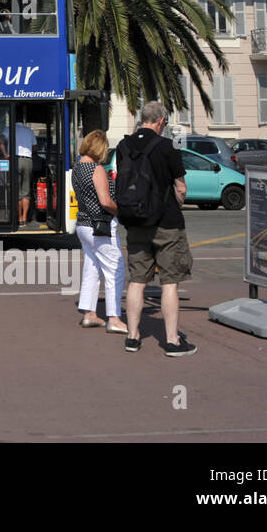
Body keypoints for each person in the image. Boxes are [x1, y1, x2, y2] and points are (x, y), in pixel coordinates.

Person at [116, 101, 194, 356]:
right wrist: (177, 203)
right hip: (166, 224)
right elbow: (180, 187)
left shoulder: (123, 146)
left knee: (137, 281)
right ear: (161, 121)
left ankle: (132, 336)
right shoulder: (167, 147)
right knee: (169, 282)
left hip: (135, 222)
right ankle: (171, 341)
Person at [72, 130, 127, 334]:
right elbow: (105, 201)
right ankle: (114, 317)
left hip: (83, 224)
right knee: (115, 269)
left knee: (92, 269)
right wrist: (121, 212)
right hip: (100, 226)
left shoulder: (78, 167)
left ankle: (89, 314)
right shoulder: (96, 169)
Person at [15, 121, 36, 225]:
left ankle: (19, 218)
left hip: (15, 160)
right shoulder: (29, 131)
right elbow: (35, 147)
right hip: (27, 160)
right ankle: (24, 218)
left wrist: (5, 153)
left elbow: (1, 140)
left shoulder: (10, 129)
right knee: (26, 191)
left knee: (17, 192)